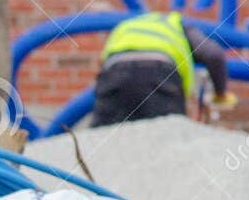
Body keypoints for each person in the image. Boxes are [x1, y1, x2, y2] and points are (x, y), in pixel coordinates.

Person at [90, 11, 231, 127]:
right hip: (160, 75)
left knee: (103, 136)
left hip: (115, 73)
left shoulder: (127, 26)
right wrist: (221, 95)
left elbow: (100, 65)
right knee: (167, 137)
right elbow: (214, 55)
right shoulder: (179, 26)